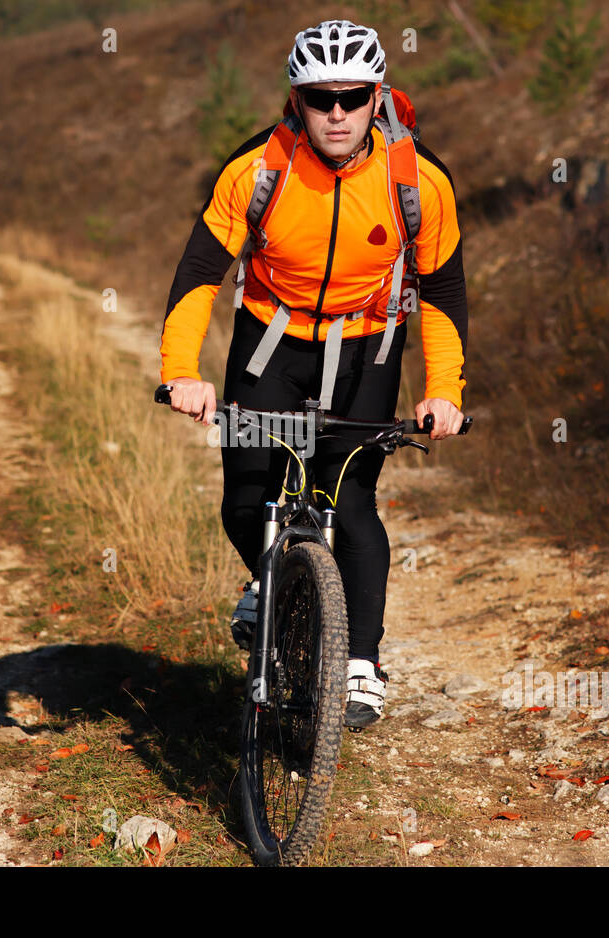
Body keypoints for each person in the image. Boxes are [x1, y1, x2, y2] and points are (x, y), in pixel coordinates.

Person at [159, 19, 468, 729]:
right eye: (319, 97)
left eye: (353, 97)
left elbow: (444, 292)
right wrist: (182, 371)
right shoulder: (256, 170)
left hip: (369, 348)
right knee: (245, 500)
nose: (337, 113)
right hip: (271, 344)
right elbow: (200, 275)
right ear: (295, 98)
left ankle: (360, 662)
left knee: (351, 503)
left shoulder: (416, 179)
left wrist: (444, 392)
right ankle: (272, 583)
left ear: (376, 96)